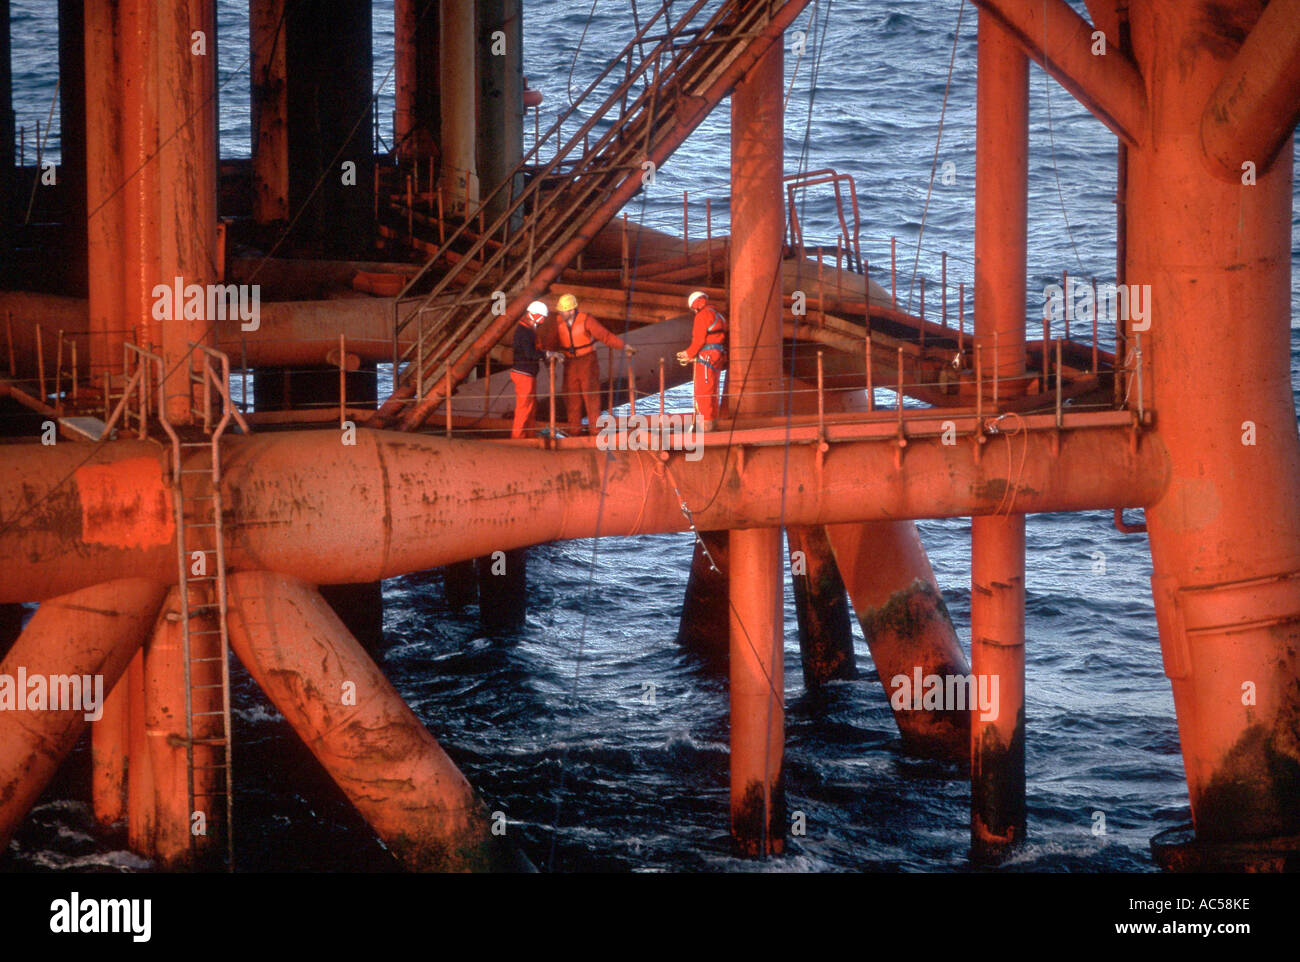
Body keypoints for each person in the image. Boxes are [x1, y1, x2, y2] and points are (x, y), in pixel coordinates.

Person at [550, 293, 636, 436]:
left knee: (591, 397)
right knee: (572, 398)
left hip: (587, 361)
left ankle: (595, 431)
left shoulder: (586, 320)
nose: (561, 313)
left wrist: (624, 346)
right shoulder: (558, 322)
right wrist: (548, 353)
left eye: (563, 310)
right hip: (569, 363)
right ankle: (574, 431)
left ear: (572, 310)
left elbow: (605, 336)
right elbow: (551, 341)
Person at [676, 290, 727, 430]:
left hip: (707, 356)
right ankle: (713, 421)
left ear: (696, 304)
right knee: (713, 389)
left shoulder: (702, 316)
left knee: (703, 391)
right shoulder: (719, 315)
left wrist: (688, 354)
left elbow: (699, 340)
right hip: (718, 355)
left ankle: (706, 425)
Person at [510, 301, 549, 438]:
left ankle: (529, 435)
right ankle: (518, 438)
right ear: (536, 316)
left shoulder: (528, 330)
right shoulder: (524, 331)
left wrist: (544, 354)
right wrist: (546, 354)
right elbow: (529, 353)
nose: (542, 322)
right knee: (524, 408)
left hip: (527, 374)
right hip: (524, 374)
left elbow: (532, 351)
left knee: (530, 407)